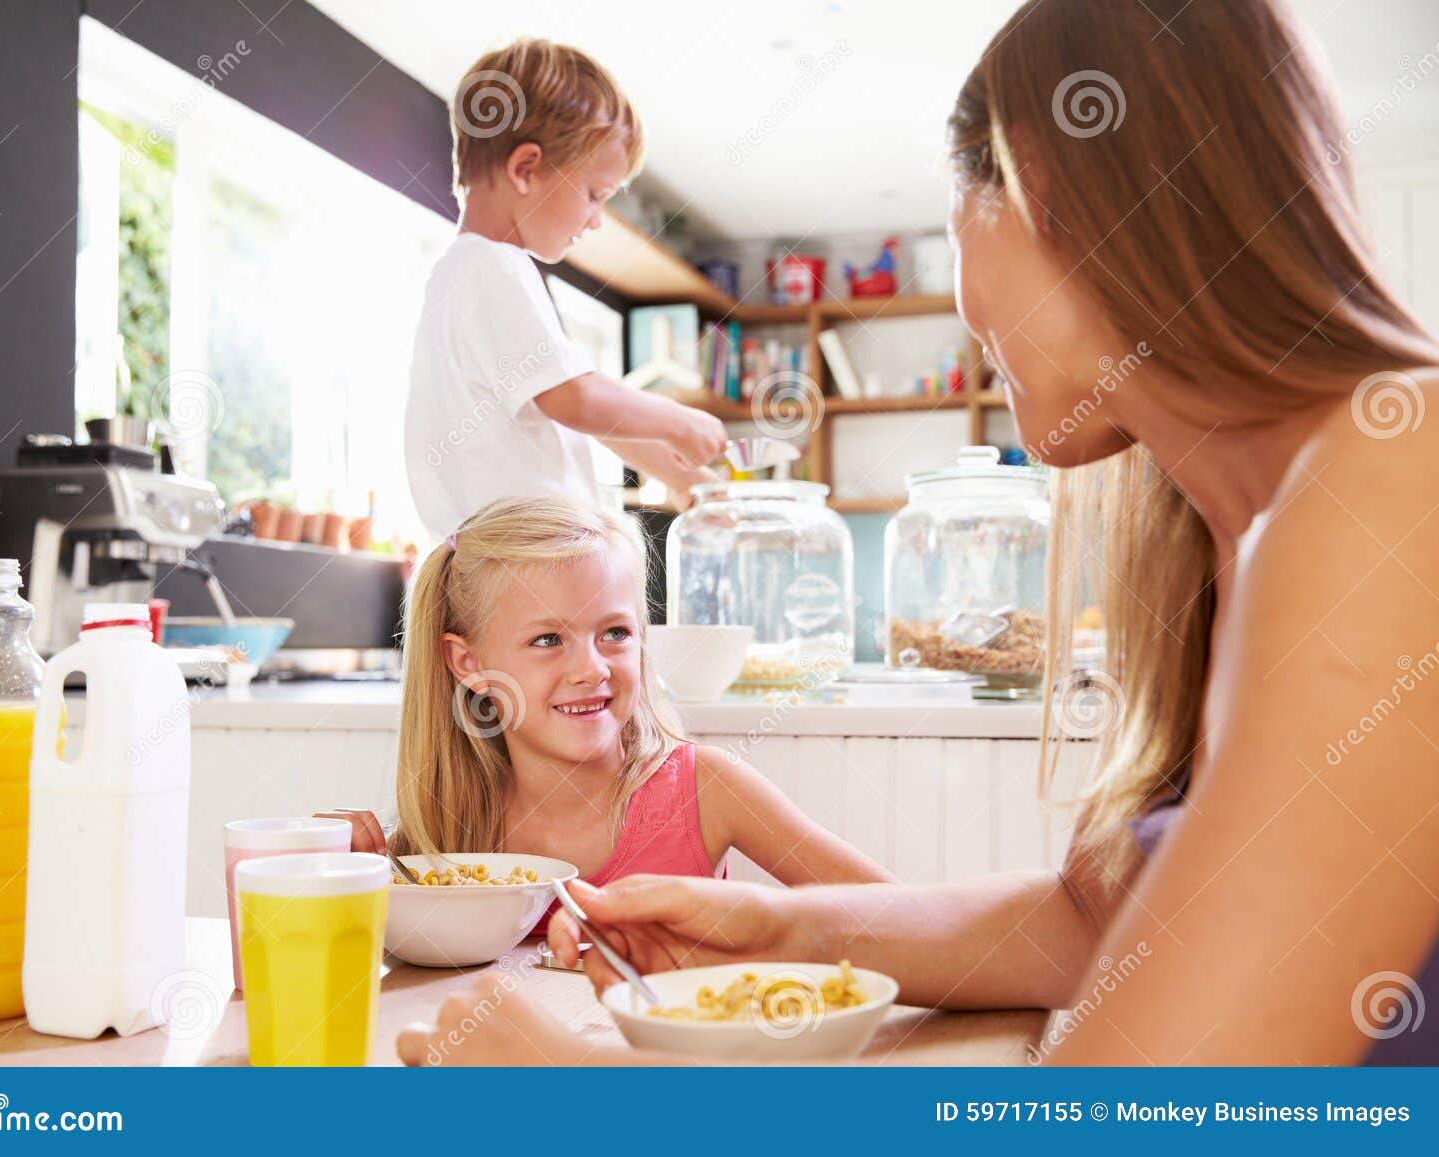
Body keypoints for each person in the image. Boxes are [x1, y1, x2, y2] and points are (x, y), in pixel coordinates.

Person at [395, 0, 1439, 1066]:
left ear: (1064, 193)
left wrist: (575, 1085)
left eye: (964, 208)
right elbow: (1092, 926)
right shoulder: (1231, 537)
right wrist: (775, 927)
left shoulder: (1395, 488)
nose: (970, 309)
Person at [385, 496, 893, 937]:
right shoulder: (444, 827)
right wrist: (342, 871)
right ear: (469, 664)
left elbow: (903, 916)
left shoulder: (706, 790)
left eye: (615, 633)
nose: (591, 668)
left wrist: (764, 926)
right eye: (547, 640)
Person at [405, 38, 727, 538]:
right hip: (521, 553)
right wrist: (678, 422)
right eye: (595, 195)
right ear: (525, 169)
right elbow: (576, 399)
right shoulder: (491, 268)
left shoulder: (474, 272)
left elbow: (581, 408)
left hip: (503, 551)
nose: (597, 219)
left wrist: (684, 477)